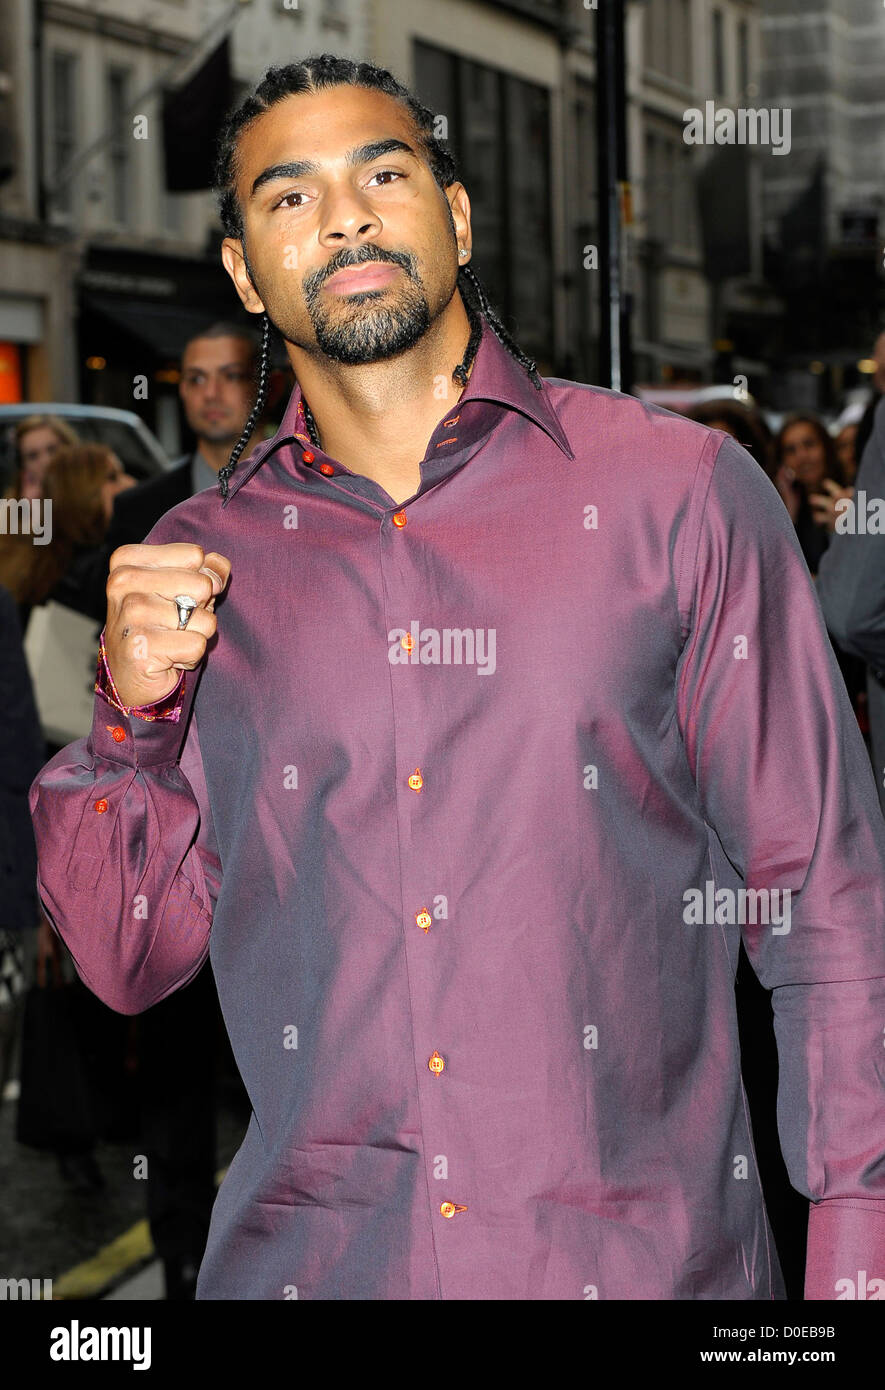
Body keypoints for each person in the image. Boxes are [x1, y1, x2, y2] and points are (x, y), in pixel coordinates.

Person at [29, 55, 885, 1301]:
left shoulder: (678, 496)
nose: (345, 217)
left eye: (383, 174)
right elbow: (123, 959)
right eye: (289, 196)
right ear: (243, 273)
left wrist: (857, 1252)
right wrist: (131, 726)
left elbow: (827, 901)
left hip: (645, 1271)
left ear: (459, 215)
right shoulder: (197, 567)